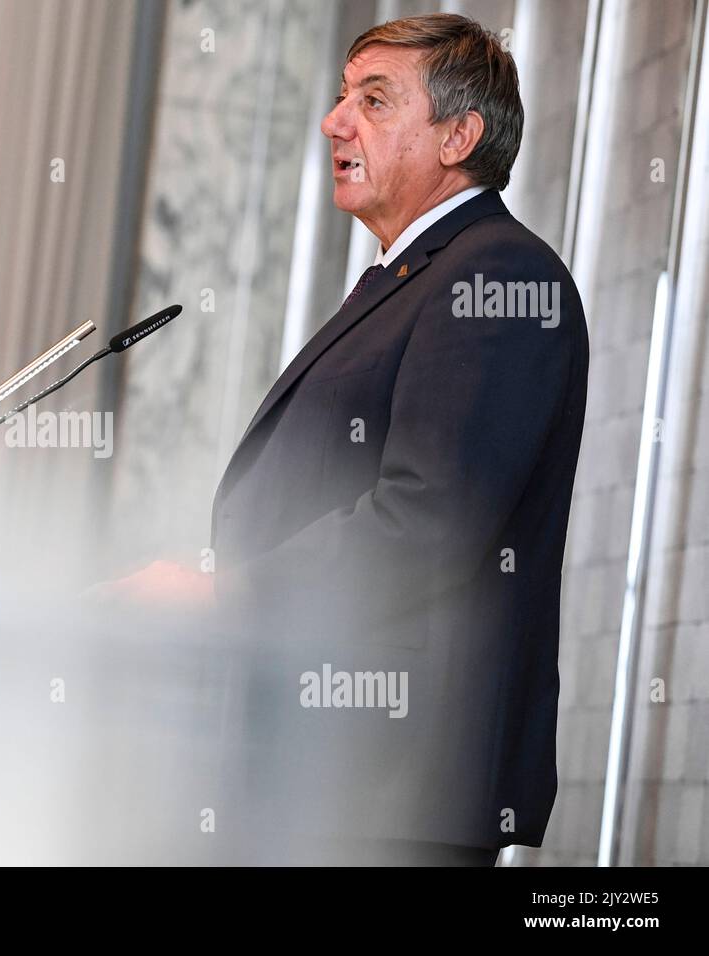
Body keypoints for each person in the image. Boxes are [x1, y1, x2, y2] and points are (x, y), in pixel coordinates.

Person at [102, 14, 589, 866]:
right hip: (327, 775)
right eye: (340, 98)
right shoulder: (412, 275)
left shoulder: (496, 275)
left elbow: (427, 520)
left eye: (373, 99)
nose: (335, 121)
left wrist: (223, 591)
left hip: (389, 785)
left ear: (457, 136)